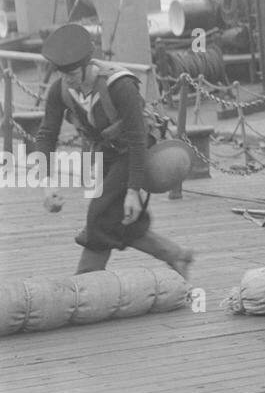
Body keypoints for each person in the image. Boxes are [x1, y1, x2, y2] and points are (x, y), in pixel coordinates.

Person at [34, 23, 194, 278]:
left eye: (72, 73)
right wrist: (46, 182)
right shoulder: (61, 90)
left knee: (99, 214)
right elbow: (46, 135)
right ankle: (176, 255)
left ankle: (84, 283)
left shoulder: (120, 85)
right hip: (104, 152)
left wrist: (133, 189)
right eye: (62, 74)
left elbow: (137, 139)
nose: (68, 80)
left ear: (88, 65)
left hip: (134, 149)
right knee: (120, 221)